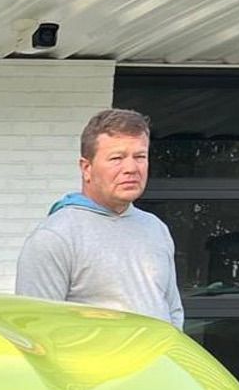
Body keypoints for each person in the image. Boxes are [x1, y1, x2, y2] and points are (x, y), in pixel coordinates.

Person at [15, 108, 184, 328]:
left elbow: (173, 311)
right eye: (117, 158)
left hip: (158, 362)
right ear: (86, 168)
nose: (131, 168)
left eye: (140, 157)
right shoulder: (55, 237)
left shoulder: (155, 228)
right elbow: (36, 330)